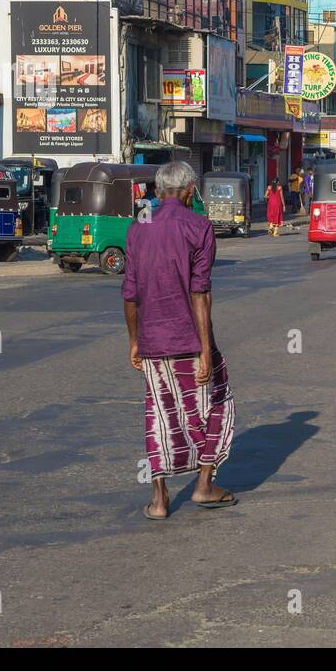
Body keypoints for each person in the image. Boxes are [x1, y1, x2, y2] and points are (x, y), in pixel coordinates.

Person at [122, 160, 236, 520]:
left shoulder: (137, 229)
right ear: (189, 192)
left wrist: (134, 341)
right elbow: (200, 292)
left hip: (152, 339)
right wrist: (205, 350)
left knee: (158, 414)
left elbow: (130, 293)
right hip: (190, 339)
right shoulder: (199, 226)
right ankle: (204, 484)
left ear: (158, 192)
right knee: (215, 405)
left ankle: (159, 500)